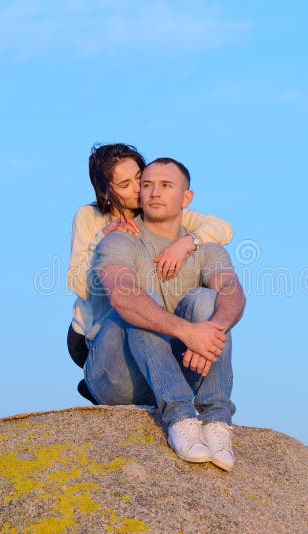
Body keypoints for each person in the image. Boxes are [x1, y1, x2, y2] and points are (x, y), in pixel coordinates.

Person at [83, 157, 246, 470]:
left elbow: (232, 291)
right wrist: (188, 333)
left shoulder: (206, 248)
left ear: (186, 198)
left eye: (166, 186)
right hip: (117, 375)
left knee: (208, 301)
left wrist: (214, 327)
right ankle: (181, 417)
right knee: (140, 302)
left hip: (174, 369)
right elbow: (122, 296)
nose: (154, 192)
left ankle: (215, 421)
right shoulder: (118, 238)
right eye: (147, 185)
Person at [66, 144, 233, 401]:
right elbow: (78, 285)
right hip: (92, 332)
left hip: (152, 329)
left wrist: (187, 243)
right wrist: (101, 242)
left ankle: (210, 408)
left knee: (170, 303)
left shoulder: (155, 208)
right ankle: (100, 385)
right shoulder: (90, 216)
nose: (137, 189)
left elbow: (223, 229)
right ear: (106, 191)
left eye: (138, 178)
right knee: (139, 304)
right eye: (124, 184)